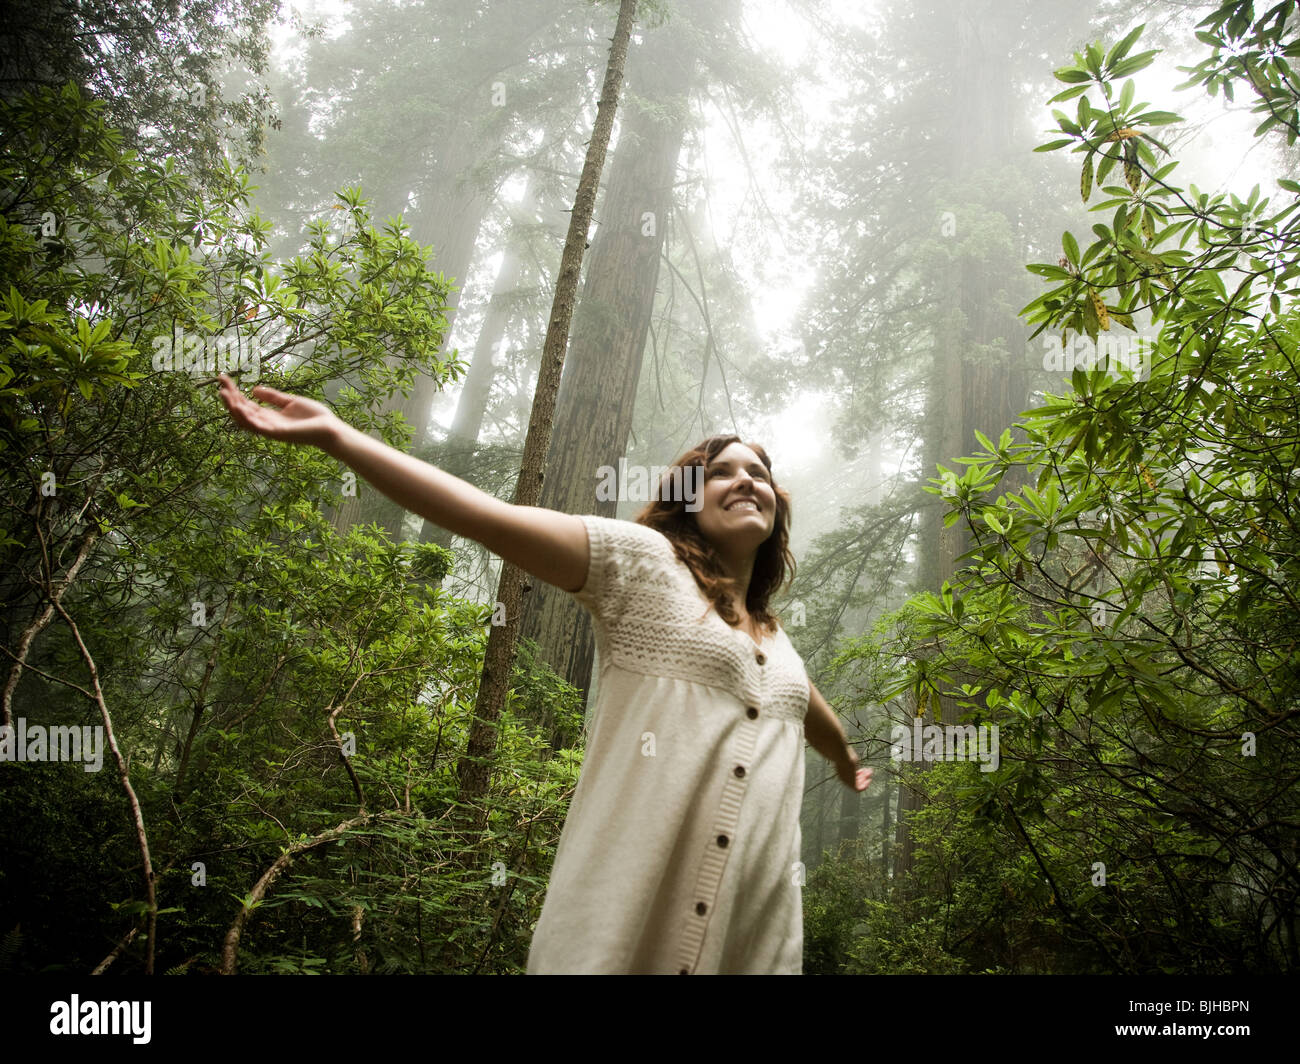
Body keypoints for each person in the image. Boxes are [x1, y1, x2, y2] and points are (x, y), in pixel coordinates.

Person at [216, 373, 871, 974]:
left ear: (777, 508)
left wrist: (844, 759)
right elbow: (484, 515)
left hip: (749, 945)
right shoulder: (643, 566)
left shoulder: (776, 642)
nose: (745, 479)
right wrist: (339, 436)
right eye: (721, 472)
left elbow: (806, 708)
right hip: (619, 934)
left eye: (758, 471)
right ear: (688, 503)